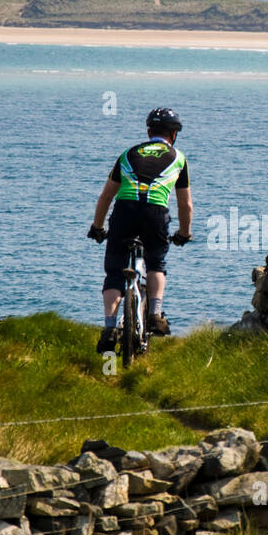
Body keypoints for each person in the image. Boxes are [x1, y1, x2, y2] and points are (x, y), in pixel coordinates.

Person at [88, 107, 193, 354]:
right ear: (174, 134)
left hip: (124, 212)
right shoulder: (178, 158)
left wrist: (97, 227)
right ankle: (155, 315)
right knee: (156, 263)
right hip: (155, 215)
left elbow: (105, 196)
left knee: (114, 272)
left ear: (148, 132)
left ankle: (109, 328)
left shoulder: (128, 154)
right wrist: (184, 233)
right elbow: (185, 204)